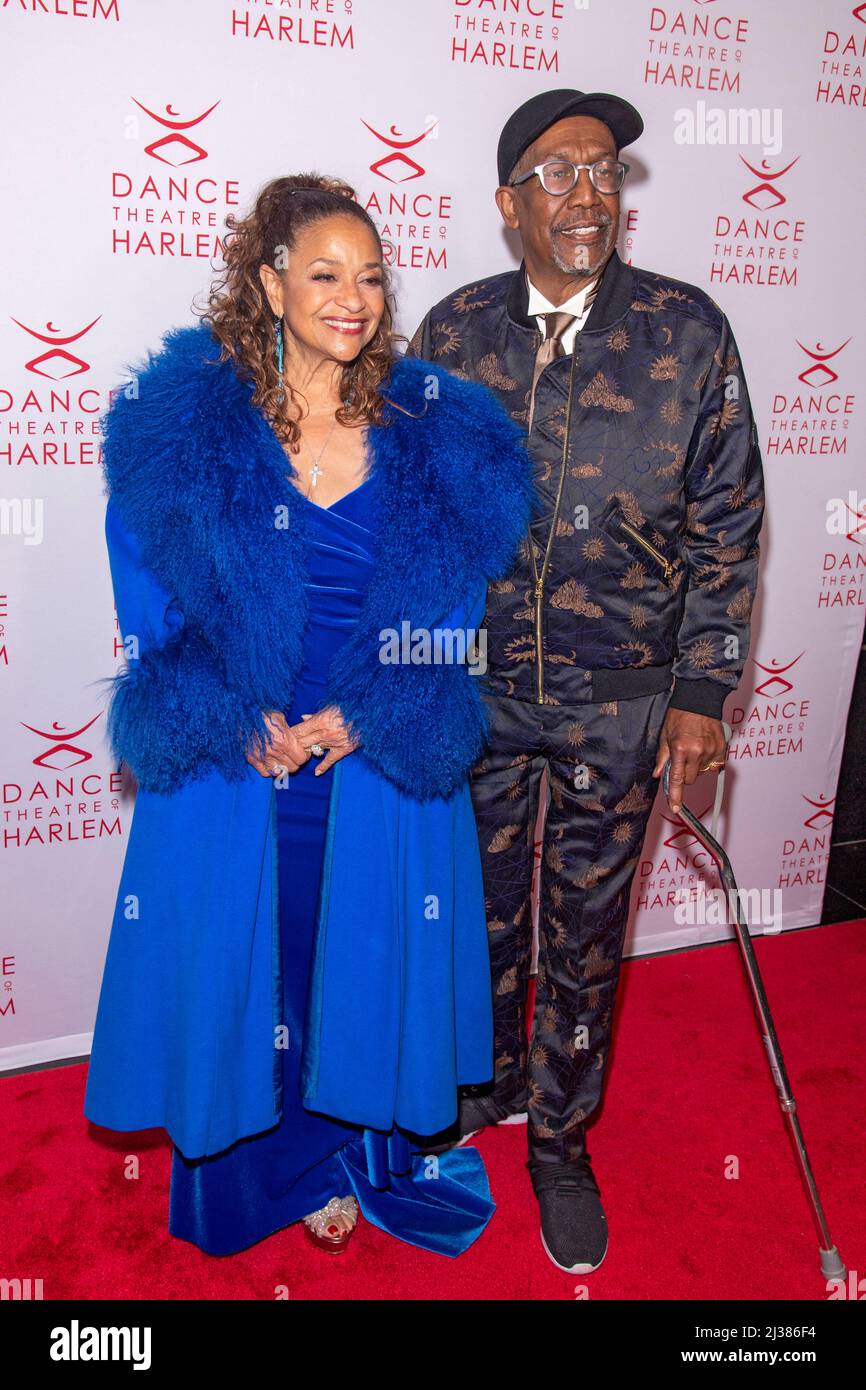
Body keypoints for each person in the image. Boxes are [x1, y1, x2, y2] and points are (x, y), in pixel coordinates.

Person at [84, 173, 534, 1258]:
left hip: (366, 763)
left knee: (355, 957)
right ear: (269, 277)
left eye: (370, 277)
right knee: (245, 964)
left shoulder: (437, 436)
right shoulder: (183, 433)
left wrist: (368, 715)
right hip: (238, 764)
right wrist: (230, 712)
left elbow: (452, 621)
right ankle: (247, 1184)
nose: (353, 297)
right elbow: (151, 595)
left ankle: (338, 1161)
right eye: (324, 273)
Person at [409, 89, 765, 1273]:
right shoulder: (453, 333)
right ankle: (482, 1089)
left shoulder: (685, 329)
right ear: (508, 202)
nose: (588, 194)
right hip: (481, 687)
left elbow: (727, 525)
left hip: (621, 700)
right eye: (556, 174)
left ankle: (559, 1139)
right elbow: (411, 517)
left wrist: (703, 697)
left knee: (582, 927)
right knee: (479, 905)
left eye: (604, 171)